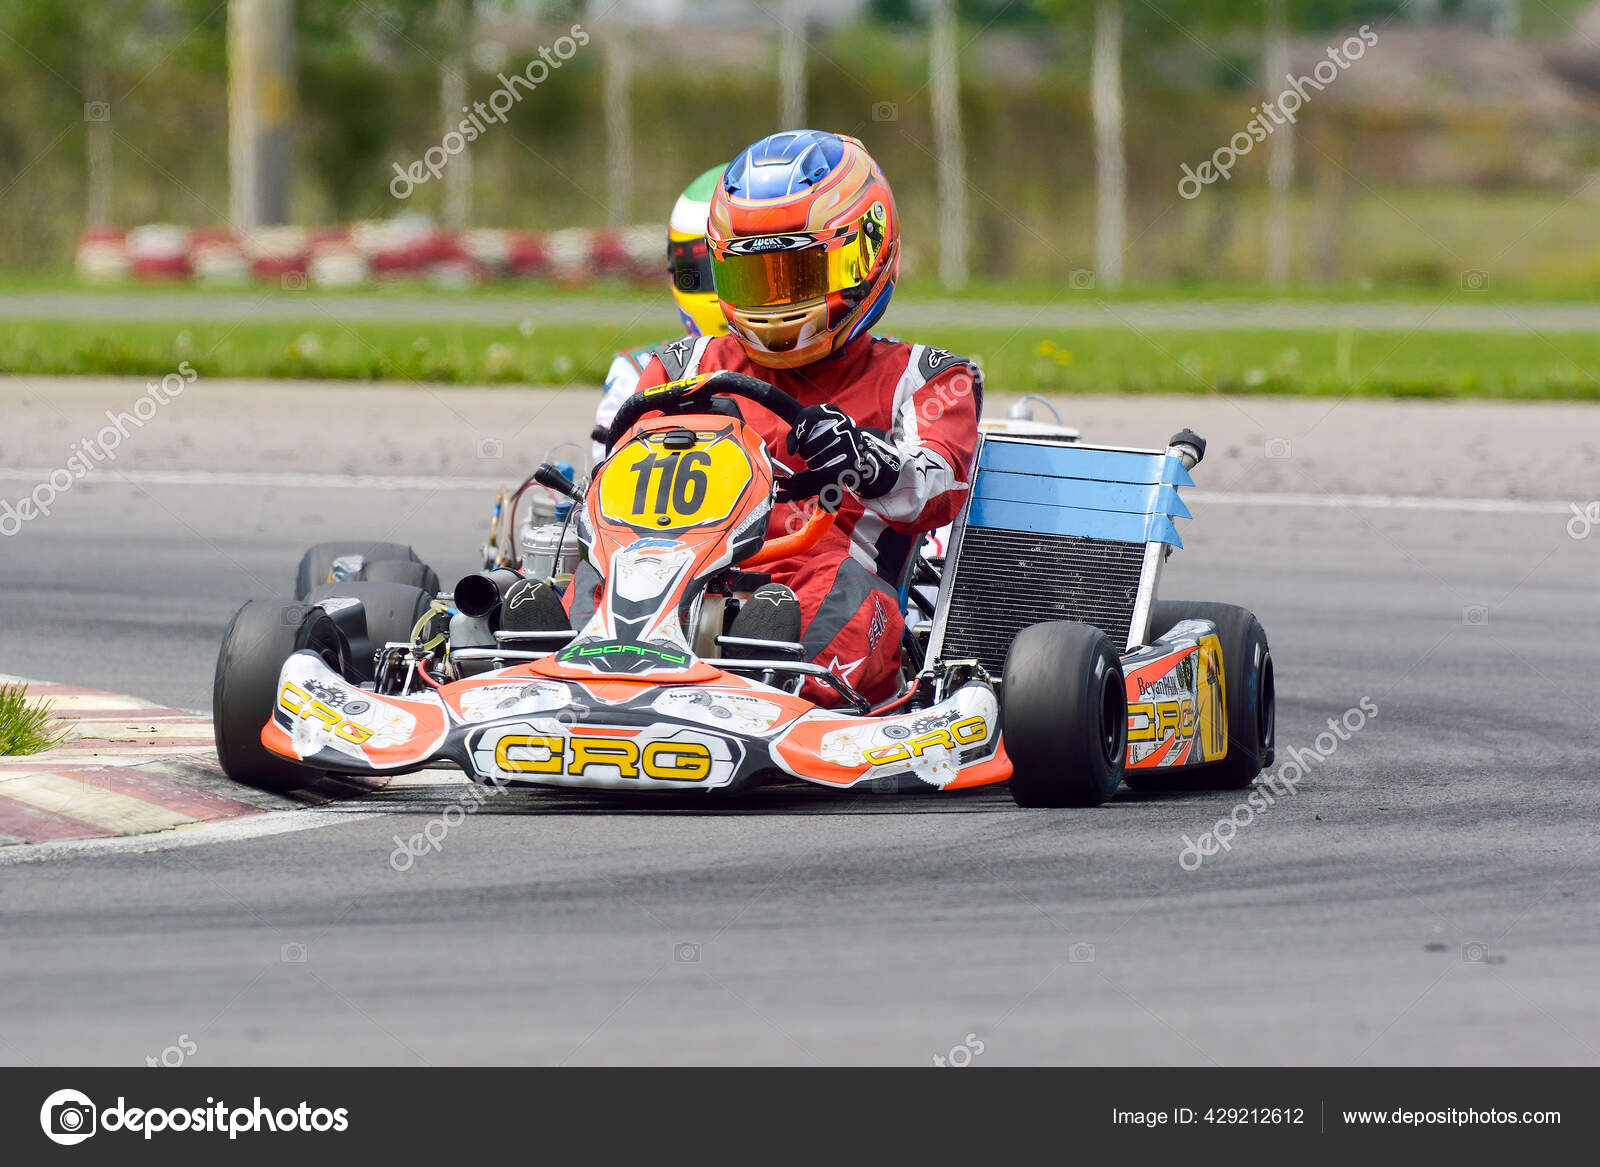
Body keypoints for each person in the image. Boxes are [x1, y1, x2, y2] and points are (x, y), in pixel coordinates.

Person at [631, 129, 982, 705]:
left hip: (823, 575)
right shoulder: (682, 367)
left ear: (865, 254)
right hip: (673, 571)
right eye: (754, 278)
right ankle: (555, 659)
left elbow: (939, 486)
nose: (775, 303)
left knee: (828, 598)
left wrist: (867, 460)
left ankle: (768, 688)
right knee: (598, 573)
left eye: (795, 276)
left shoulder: (924, 377)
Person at [590, 165, 729, 464]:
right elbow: (610, 472)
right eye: (706, 270)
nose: (724, 286)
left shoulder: (820, 371)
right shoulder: (641, 370)